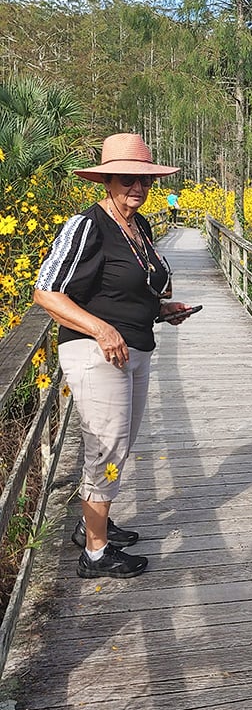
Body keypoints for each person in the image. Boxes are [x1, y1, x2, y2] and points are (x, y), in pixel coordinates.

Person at [34, 133, 194, 580]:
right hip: (95, 351)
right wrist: (100, 328)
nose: (137, 188)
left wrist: (162, 310)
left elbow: (131, 287)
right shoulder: (87, 225)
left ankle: (94, 526)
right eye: (127, 179)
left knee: (117, 447)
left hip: (136, 346)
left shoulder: (139, 226)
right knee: (106, 445)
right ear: (107, 181)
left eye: (144, 179)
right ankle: (97, 552)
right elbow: (45, 291)